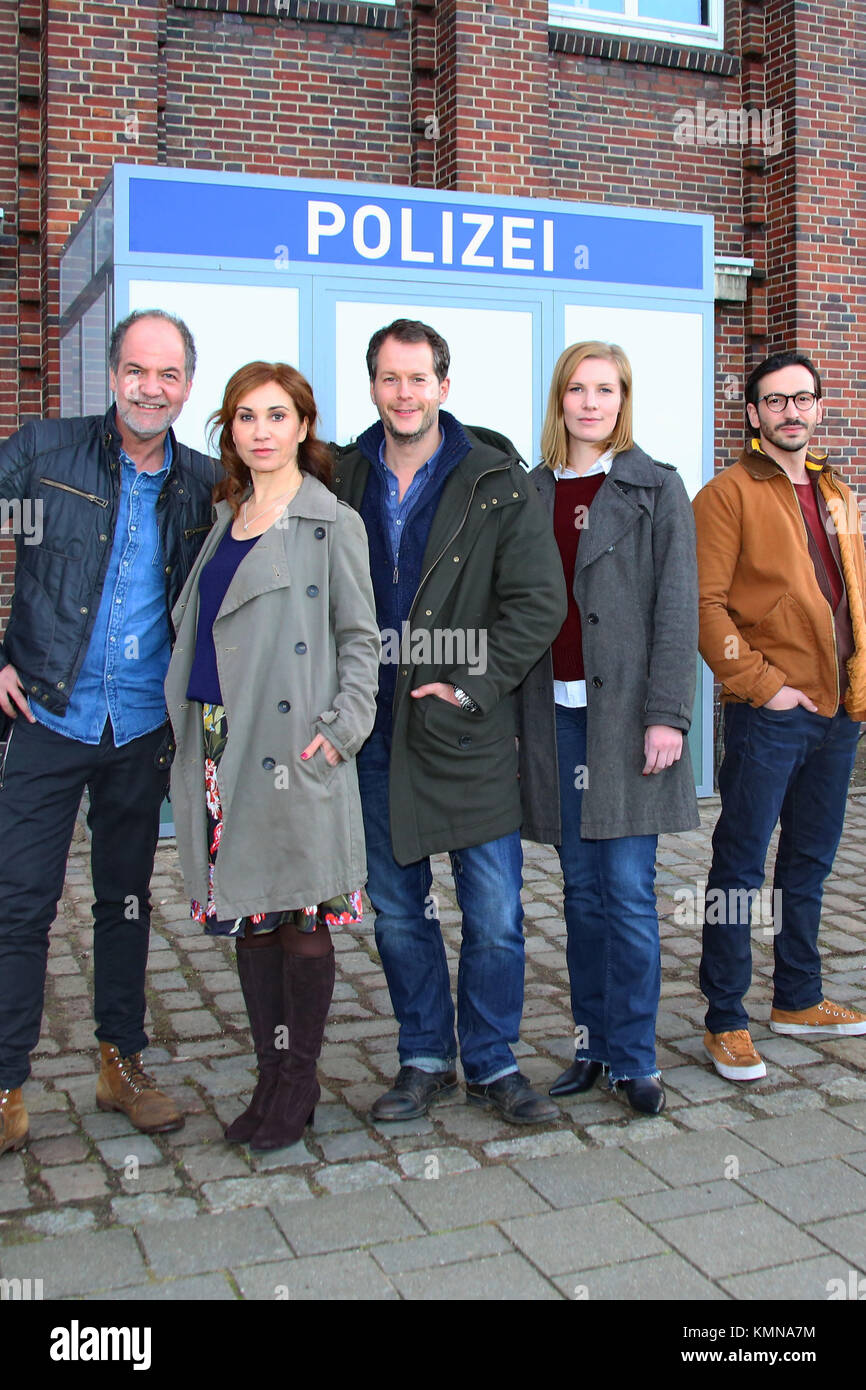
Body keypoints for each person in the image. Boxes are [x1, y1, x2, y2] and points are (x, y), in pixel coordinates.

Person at [332, 318, 567, 1125]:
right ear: (373, 386)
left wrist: (471, 685)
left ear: (444, 385)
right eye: (390, 379)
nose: (405, 394)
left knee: (496, 913)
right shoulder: (338, 476)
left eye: (419, 379)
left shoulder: (495, 478)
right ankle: (424, 1055)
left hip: (465, 729)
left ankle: (495, 1062)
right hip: (373, 732)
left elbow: (538, 603)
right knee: (399, 912)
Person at [0, 309, 217, 1158]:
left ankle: (119, 1063)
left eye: (168, 375)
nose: (150, 388)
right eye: (137, 370)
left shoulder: (203, 482)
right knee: (20, 904)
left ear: (187, 387)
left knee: (126, 902)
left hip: (141, 727)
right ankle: (8, 1081)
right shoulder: (45, 453)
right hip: (48, 715)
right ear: (113, 374)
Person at [165, 362, 379, 1151]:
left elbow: (362, 638)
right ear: (231, 431)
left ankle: (299, 1080)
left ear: (303, 427)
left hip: (294, 745)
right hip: (222, 739)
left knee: (299, 913)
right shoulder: (228, 516)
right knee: (249, 916)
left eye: (276, 415)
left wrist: (343, 726)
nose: (261, 431)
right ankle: (271, 1070)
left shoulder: (330, 522)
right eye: (245, 417)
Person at [517, 341, 700, 1115]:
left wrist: (668, 715)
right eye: (577, 390)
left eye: (607, 390)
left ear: (623, 400)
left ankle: (635, 1057)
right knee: (581, 897)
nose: (591, 403)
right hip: (551, 720)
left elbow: (677, 608)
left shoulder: (655, 488)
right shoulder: (526, 492)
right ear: (559, 401)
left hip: (626, 724)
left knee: (628, 892)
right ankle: (590, 1043)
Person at [694, 350, 866, 1082]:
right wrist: (763, 685)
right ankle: (726, 1017)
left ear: (819, 407)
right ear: (754, 414)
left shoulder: (840, 492)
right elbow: (703, 605)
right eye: (775, 401)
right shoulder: (726, 494)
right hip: (772, 712)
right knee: (739, 865)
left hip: (839, 710)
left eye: (803, 398)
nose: (791, 411)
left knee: (810, 862)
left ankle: (797, 995)